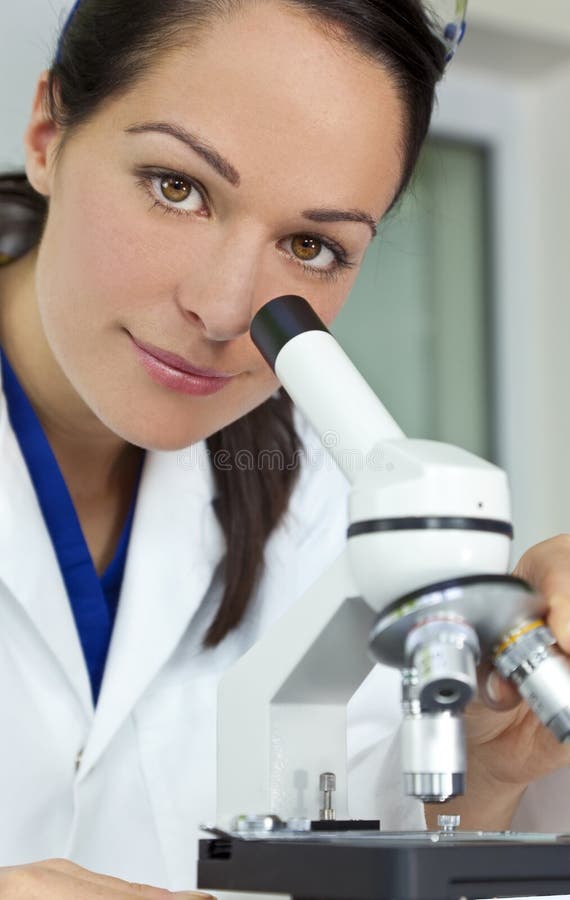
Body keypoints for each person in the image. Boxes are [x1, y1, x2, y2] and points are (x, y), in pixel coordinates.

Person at [1, 0, 570, 897]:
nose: (226, 310)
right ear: (47, 132)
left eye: (311, 245)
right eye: (176, 186)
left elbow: (386, 829)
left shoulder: (325, 496)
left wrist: (490, 767)